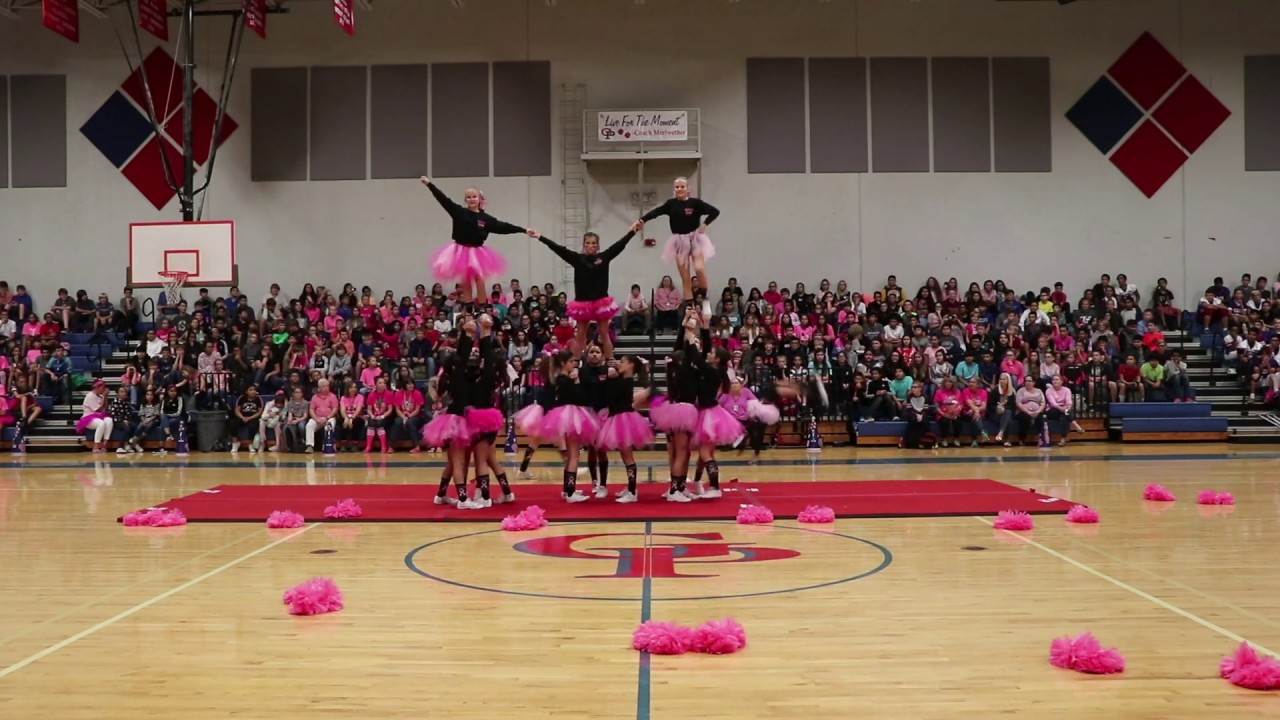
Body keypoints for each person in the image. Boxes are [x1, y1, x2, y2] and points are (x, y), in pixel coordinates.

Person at [420, 177, 536, 309]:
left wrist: (523, 230)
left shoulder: (485, 218)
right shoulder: (458, 211)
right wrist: (429, 184)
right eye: (468, 197)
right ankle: (468, 306)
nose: (471, 199)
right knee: (466, 280)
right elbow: (443, 199)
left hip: (477, 250)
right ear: (465, 199)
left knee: (480, 279)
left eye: (474, 196)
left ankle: (482, 306)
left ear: (479, 199)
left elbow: (503, 226)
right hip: (461, 249)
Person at [531, 228, 638, 358]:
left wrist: (633, 231)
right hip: (583, 303)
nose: (590, 246)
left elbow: (620, 244)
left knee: (604, 334)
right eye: (587, 243)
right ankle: (575, 363)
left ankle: (611, 361)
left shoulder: (604, 257)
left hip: (601, 301)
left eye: (593, 243)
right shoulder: (577, 259)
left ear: (598, 245)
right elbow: (558, 248)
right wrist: (540, 237)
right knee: (580, 336)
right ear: (583, 245)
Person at [636, 177, 721, 316]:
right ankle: (690, 306)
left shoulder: (695, 203)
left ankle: (704, 297)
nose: (679, 189)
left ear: (688, 189)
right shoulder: (671, 204)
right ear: (674, 190)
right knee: (685, 277)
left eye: (682, 187)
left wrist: (705, 224)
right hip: (678, 240)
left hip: (694, 238)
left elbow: (715, 211)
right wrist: (642, 220)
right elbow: (656, 212)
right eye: (677, 187)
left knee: (699, 268)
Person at [539, 350, 600, 503]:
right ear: (563, 363)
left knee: (571, 455)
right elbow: (580, 398)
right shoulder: (565, 380)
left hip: (566, 415)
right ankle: (571, 493)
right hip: (572, 415)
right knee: (574, 455)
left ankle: (568, 489)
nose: (575, 364)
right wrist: (578, 383)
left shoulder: (559, 379)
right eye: (572, 361)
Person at [596, 355, 655, 503]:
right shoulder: (622, 380)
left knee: (627, 456)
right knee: (624, 455)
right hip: (617, 417)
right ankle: (630, 488)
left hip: (623, 419)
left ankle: (632, 491)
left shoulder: (626, 382)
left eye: (622, 362)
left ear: (630, 366)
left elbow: (611, 396)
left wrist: (610, 379)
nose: (619, 364)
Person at [76, 380, 114, 453]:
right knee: (101, 423)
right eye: (103, 388)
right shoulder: (90, 395)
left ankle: (104, 444)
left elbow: (105, 409)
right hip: (88, 417)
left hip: (99, 416)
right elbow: (98, 410)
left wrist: (105, 398)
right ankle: (96, 446)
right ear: (97, 387)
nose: (104, 389)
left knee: (109, 420)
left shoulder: (100, 396)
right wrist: (104, 396)